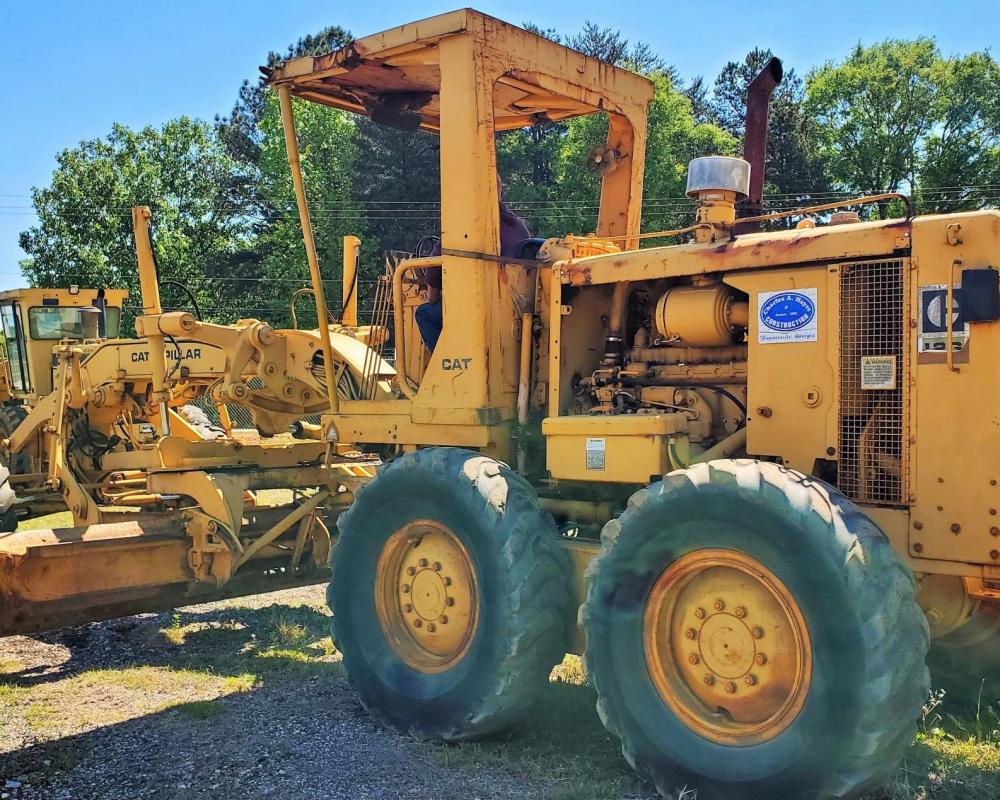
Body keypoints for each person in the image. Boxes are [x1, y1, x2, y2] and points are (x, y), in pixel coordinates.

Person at [415, 178, 531, 352]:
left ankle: (450, 366)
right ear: (499, 191)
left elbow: (434, 271)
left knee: (425, 313)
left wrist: (432, 299)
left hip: (479, 311)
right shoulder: (518, 226)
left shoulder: (464, 225)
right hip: (516, 310)